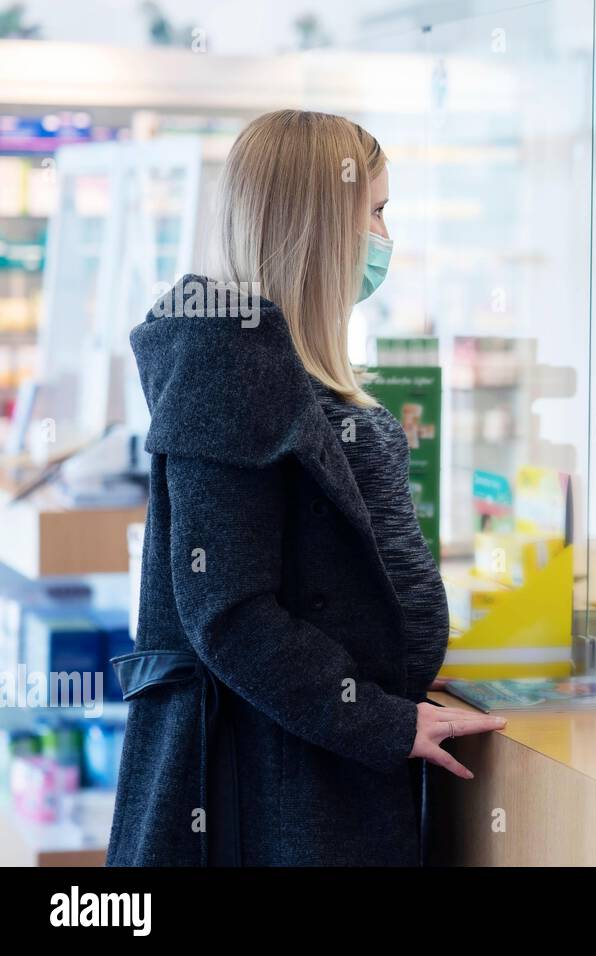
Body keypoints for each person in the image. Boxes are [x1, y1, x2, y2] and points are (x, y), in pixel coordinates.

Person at [107, 110, 506, 866]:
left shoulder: (296, 371)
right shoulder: (228, 375)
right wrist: (381, 723)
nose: (387, 236)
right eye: (377, 212)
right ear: (321, 229)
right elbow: (229, 613)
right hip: (265, 794)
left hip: (312, 775)